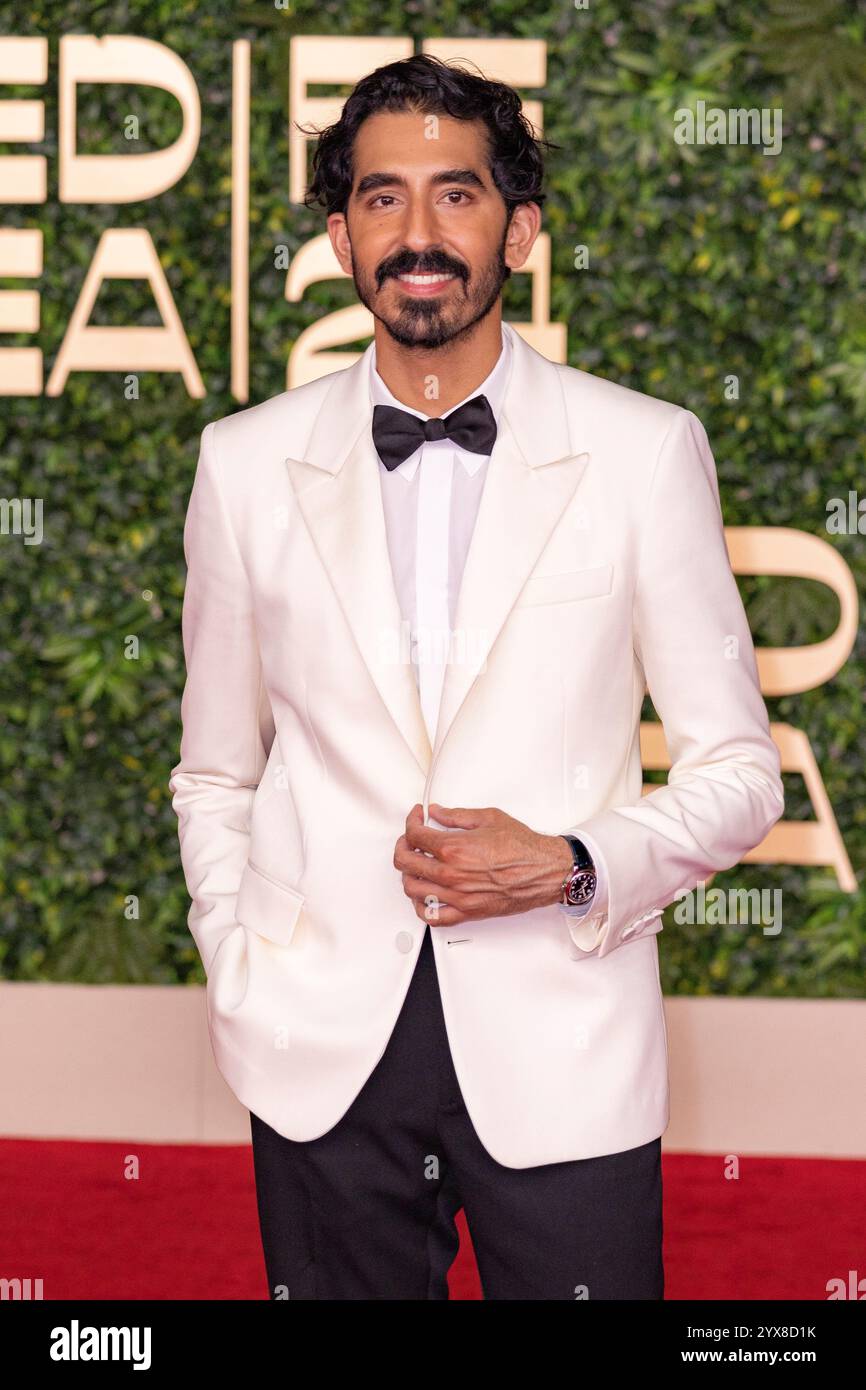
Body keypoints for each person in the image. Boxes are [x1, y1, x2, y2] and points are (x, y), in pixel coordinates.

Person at [168, 54, 785, 1300]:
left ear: (521, 228)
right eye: (383, 199)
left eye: (457, 194)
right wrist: (238, 952)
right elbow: (215, 767)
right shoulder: (242, 466)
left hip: (563, 1035)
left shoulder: (643, 451)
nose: (419, 234)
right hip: (318, 1044)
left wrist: (566, 861)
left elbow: (742, 773)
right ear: (340, 235)